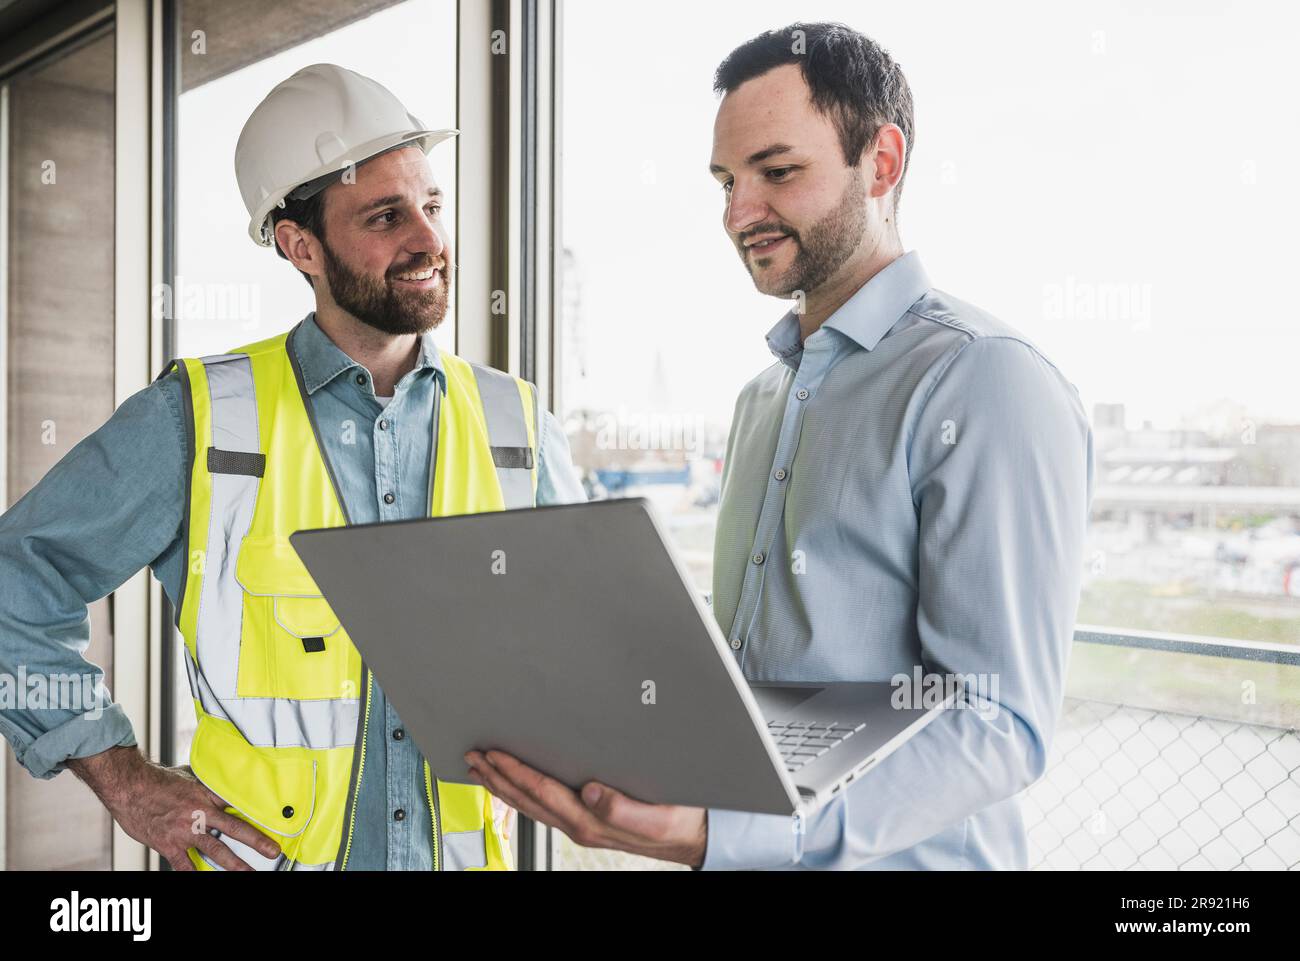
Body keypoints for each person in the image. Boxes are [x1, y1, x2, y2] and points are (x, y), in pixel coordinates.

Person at [465, 22, 1094, 870]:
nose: (736, 213)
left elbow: (996, 724)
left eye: (777, 171)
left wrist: (730, 836)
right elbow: (763, 681)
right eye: (726, 180)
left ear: (883, 162)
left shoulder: (984, 381)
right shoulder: (761, 400)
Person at [0, 63, 585, 871]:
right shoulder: (198, 419)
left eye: (433, 205)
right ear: (299, 245)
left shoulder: (515, 424)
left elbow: (589, 649)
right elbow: (12, 582)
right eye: (387, 215)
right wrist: (124, 779)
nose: (429, 239)